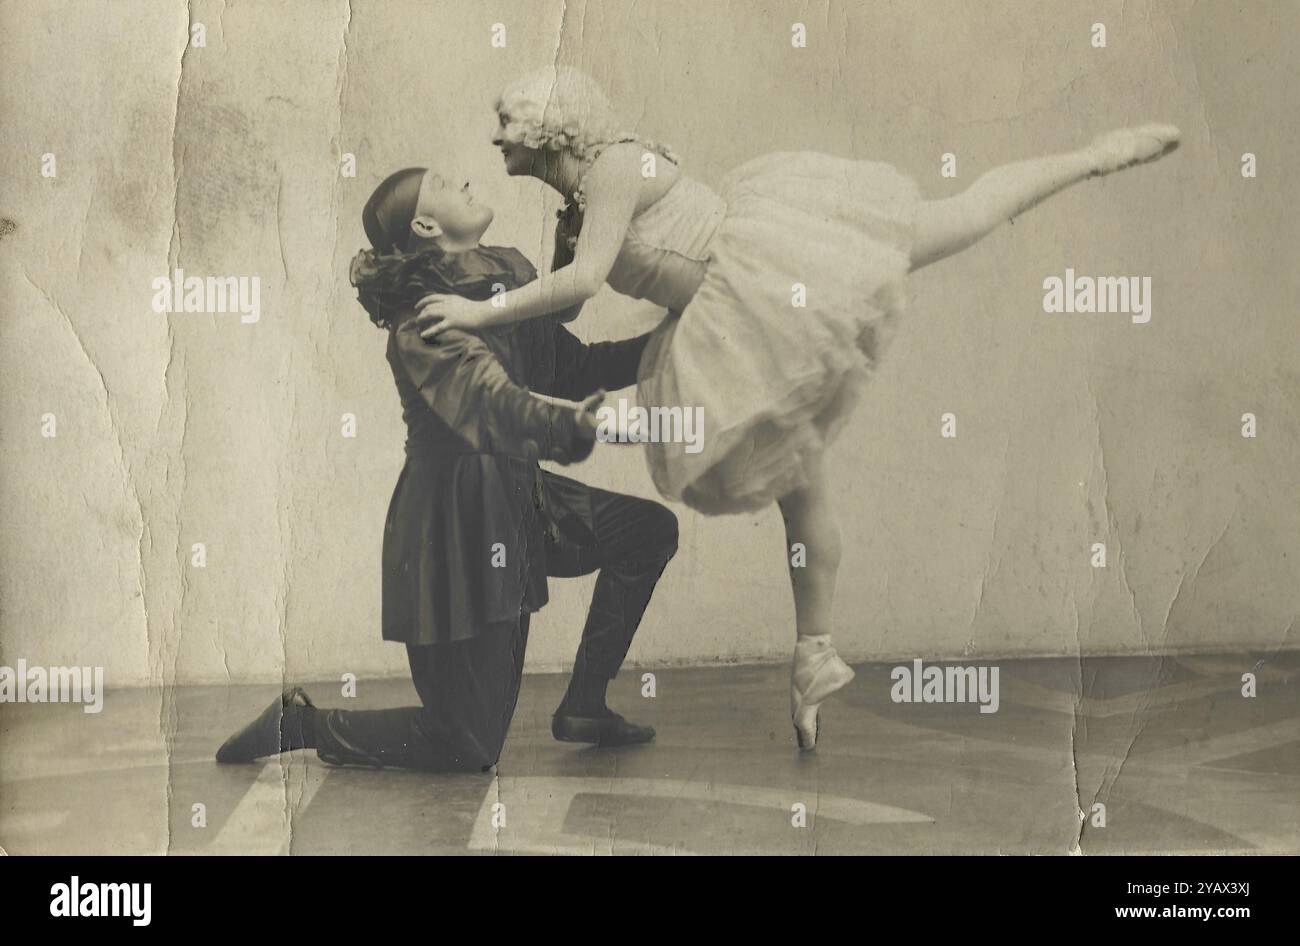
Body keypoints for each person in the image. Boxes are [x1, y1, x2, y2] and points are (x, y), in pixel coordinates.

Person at [411, 66, 1181, 748]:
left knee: (960, 216)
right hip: (729, 320)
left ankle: (1092, 158)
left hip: (772, 276)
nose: (496, 137)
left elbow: (580, 287)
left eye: (508, 121)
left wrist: (478, 314)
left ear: (550, 127)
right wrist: (470, 296)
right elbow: (570, 309)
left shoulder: (614, 168)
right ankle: (815, 655)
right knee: (798, 491)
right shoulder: (580, 204)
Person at [215, 163, 677, 772]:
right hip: (457, 526)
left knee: (647, 531)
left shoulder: (495, 292)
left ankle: (585, 705)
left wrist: (675, 341)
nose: (461, 178)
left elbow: (572, 369)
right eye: (439, 184)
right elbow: (492, 403)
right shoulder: (423, 321)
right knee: (466, 744)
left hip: (519, 497)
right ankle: (301, 722)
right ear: (427, 225)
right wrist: (577, 426)